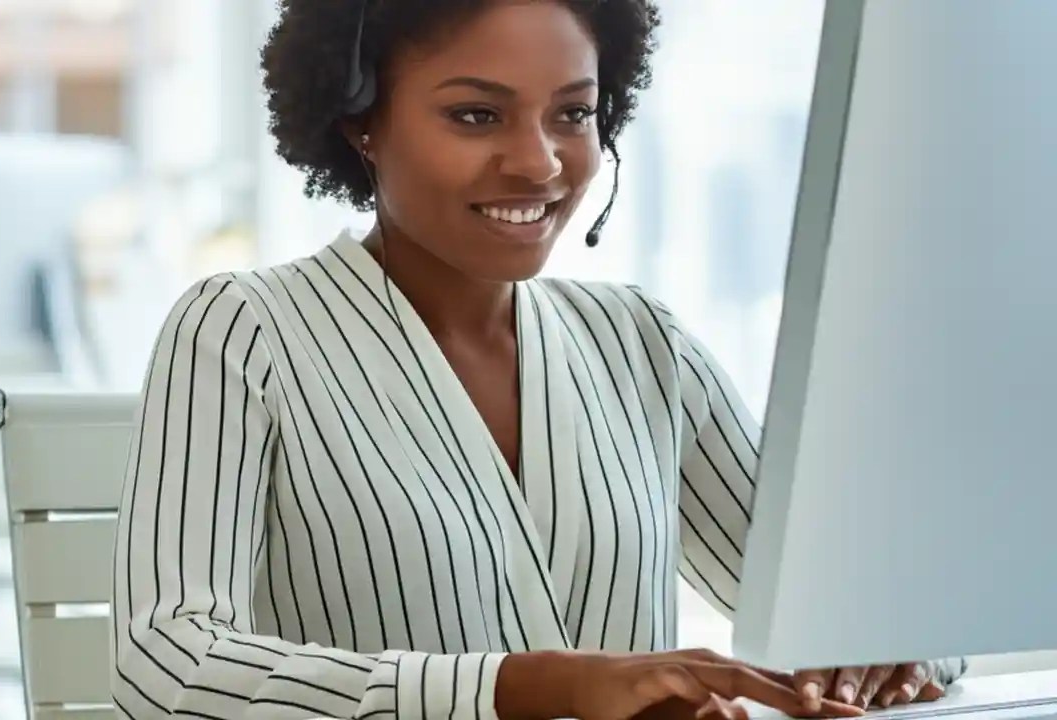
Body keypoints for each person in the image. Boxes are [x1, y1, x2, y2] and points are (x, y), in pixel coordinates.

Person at [111, 1, 965, 718]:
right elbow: (167, 661)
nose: (539, 162)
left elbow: (866, 609)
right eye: (476, 115)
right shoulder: (244, 332)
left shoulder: (642, 343)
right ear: (359, 120)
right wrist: (534, 686)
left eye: (573, 113)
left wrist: (875, 652)